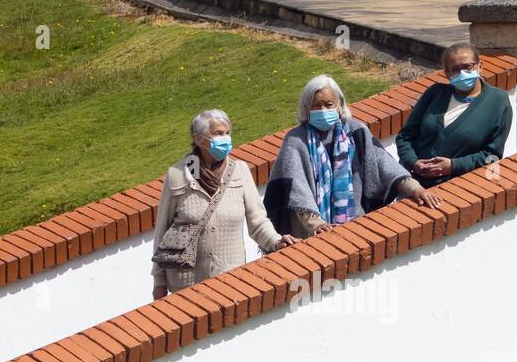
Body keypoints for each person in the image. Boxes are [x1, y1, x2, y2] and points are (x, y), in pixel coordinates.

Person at [264, 74, 440, 239]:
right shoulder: (295, 140)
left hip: (356, 223)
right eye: (316, 106)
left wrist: (415, 188)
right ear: (306, 109)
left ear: (340, 105)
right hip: (311, 233)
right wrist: (317, 224)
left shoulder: (356, 131)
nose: (323, 110)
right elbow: (297, 190)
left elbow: (383, 162)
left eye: (328, 104)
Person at [152, 109, 294, 299]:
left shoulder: (239, 171)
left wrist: (276, 241)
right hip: (185, 286)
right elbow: (162, 232)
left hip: (231, 282)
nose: (225, 139)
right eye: (218, 134)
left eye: (227, 133)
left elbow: (258, 221)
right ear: (199, 139)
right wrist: (159, 283)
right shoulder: (178, 175)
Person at [396, 42, 513, 187]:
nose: (462, 73)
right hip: (414, 183)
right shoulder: (435, 93)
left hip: (458, 188)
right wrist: (413, 162)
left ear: (479, 66)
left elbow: (492, 156)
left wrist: (453, 165)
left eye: (467, 67)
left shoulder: (497, 101)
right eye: (455, 69)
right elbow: (405, 136)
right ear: (447, 73)